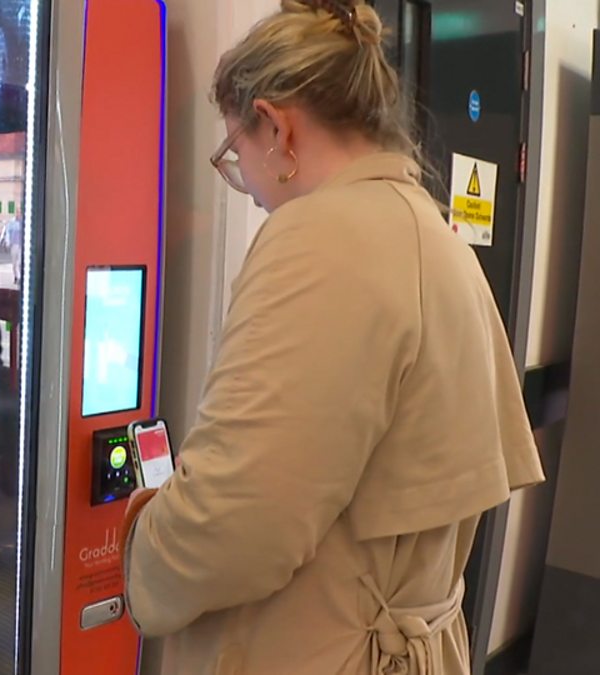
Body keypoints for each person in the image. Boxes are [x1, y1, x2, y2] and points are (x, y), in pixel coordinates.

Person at [120, 2, 544, 673]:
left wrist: (140, 551)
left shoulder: (320, 238)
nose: (248, 188)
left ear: (278, 129)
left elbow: (238, 522)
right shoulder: (435, 236)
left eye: (235, 153)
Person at [3, 215, 23, 287]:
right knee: (14, 263)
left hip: (21, 245)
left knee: (19, 262)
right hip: (14, 244)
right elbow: (8, 232)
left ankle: (19, 277)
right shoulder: (12, 223)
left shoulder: (23, 222)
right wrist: (7, 242)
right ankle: (16, 276)